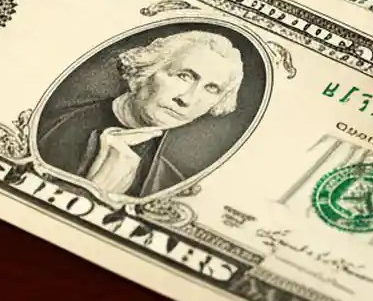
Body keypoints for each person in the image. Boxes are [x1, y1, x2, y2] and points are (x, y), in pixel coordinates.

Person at [36, 30, 245, 199]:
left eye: (211, 88)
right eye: (184, 76)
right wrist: (95, 189)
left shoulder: (169, 180)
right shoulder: (51, 128)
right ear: (145, 71)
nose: (187, 100)